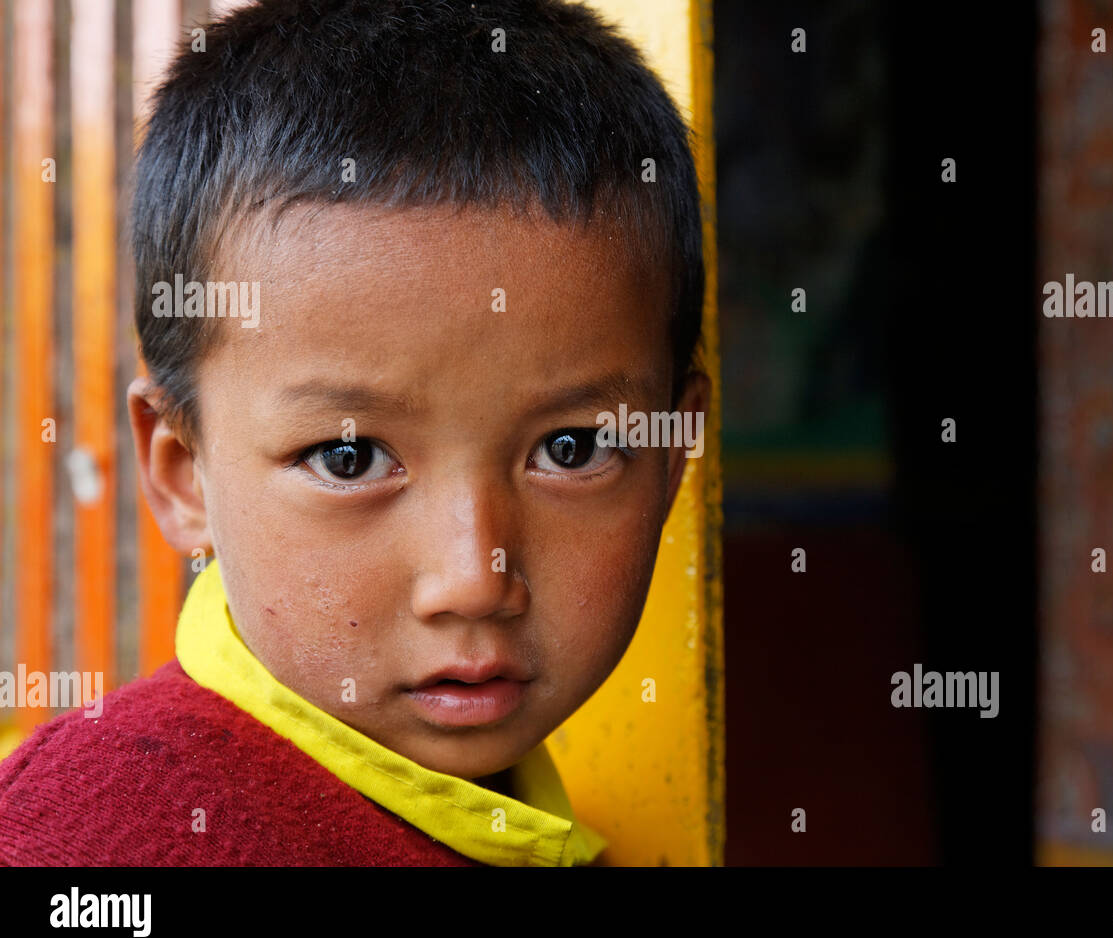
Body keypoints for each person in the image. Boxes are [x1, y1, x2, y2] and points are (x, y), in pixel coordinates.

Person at [0, 0, 707, 866]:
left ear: (675, 450)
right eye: (350, 456)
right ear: (184, 472)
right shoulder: (89, 842)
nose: (472, 579)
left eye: (572, 448)